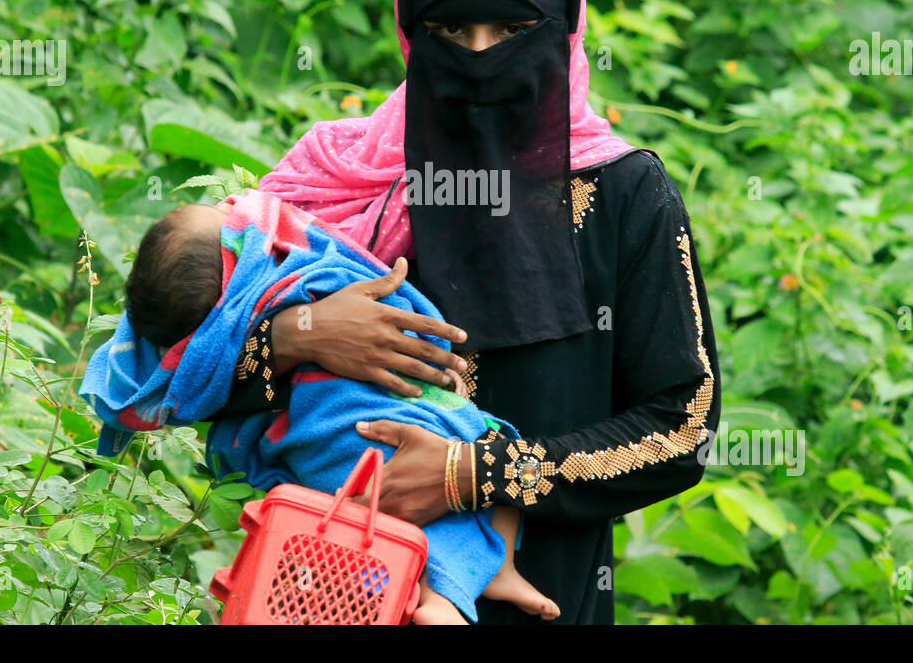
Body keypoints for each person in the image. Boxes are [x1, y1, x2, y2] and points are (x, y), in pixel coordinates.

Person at [217, 0, 723, 624]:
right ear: (411, 34)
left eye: (512, 28)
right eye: (452, 28)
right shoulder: (341, 178)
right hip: (322, 589)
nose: (481, 55)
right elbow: (191, 365)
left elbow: (683, 426)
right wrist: (303, 336)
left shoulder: (622, 192)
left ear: (565, 30)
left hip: (544, 602)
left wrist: (475, 472)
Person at [79, 190, 560, 624]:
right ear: (239, 266)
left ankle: (493, 568)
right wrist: (300, 331)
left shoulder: (219, 329)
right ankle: (446, 599)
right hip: (351, 427)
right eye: (228, 222)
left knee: (470, 468)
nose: (235, 210)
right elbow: (226, 370)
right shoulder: (295, 255)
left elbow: (204, 373)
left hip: (322, 445)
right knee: (467, 466)